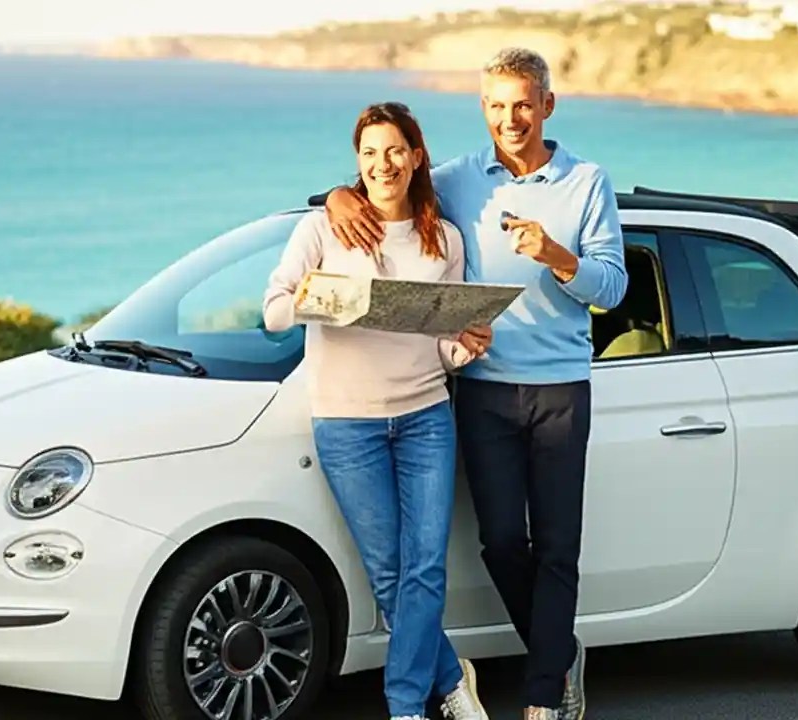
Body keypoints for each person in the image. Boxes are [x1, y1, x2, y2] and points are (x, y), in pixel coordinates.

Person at [315, 48, 628, 720]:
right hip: (481, 388)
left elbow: (615, 286)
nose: (509, 119)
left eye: (521, 104)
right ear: (482, 110)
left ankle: (545, 698)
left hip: (561, 387)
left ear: (547, 105)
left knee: (557, 547)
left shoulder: (588, 183)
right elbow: (386, 192)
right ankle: (559, 653)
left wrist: (557, 257)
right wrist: (341, 194)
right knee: (501, 545)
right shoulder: (458, 182)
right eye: (495, 106)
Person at [263, 101, 493, 720]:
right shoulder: (322, 228)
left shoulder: (444, 240)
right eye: (368, 154)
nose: (381, 164)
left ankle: (405, 707)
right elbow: (275, 310)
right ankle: (449, 680)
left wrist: (465, 344)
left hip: (425, 416)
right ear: (356, 162)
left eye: (394, 151)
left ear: (417, 157)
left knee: (425, 569)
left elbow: (440, 347)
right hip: (347, 422)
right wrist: (329, 300)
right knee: (389, 575)